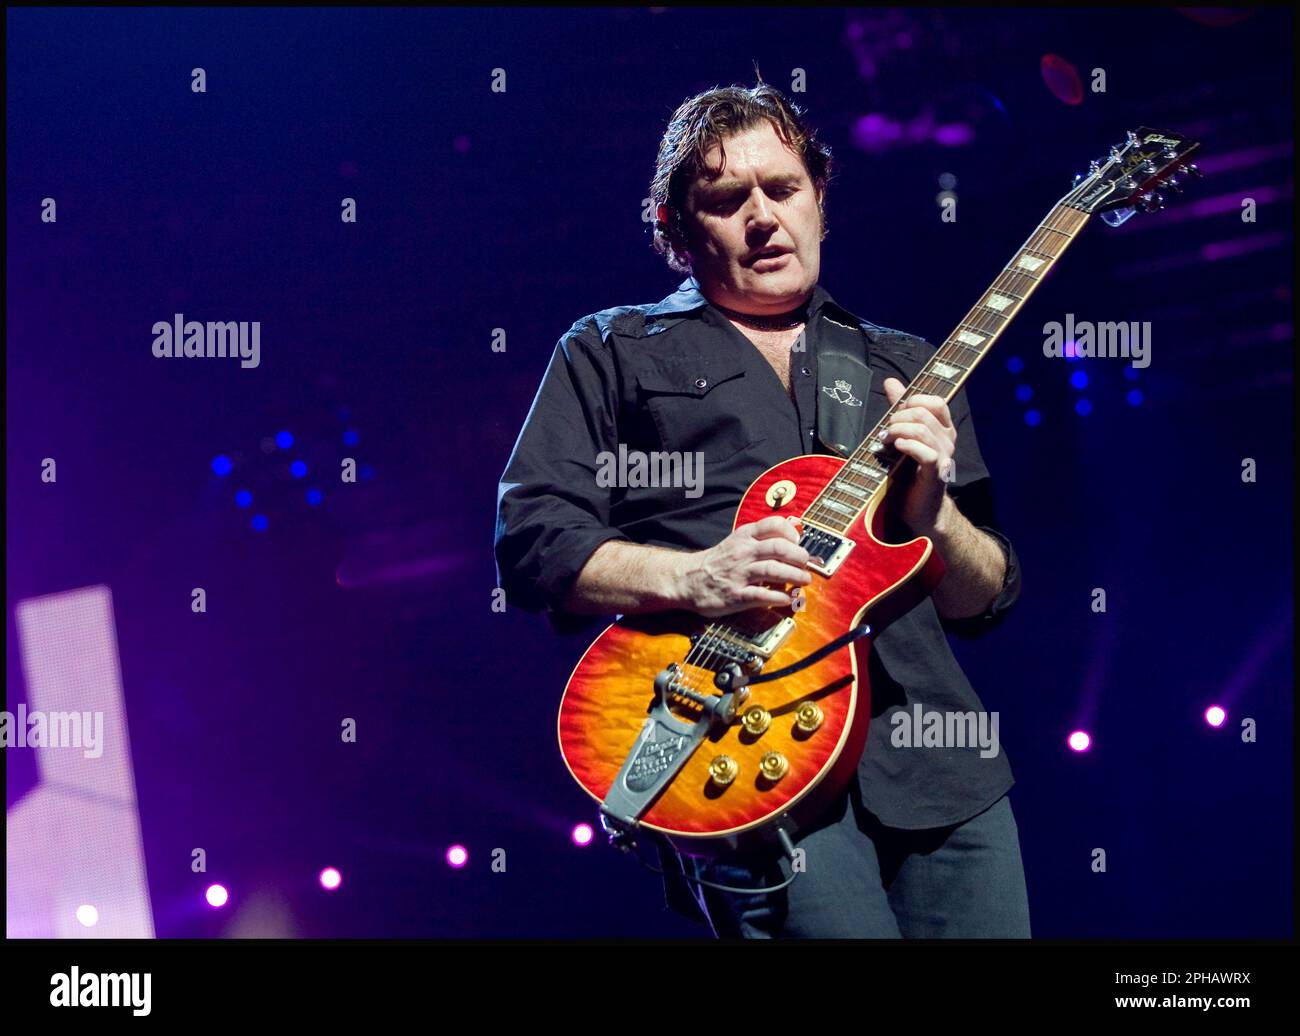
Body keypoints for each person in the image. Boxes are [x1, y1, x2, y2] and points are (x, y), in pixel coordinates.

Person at [494, 81, 1030, 938]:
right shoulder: (609, 350)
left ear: (820, 199)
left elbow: (983, 599)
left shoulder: (911, 365)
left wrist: (933, 513)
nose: (763, 218)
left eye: (782, 189)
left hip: (940, 774)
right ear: (676, 230)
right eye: (725, 200)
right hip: (740, 753)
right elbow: (532, 542)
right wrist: (697, 576)